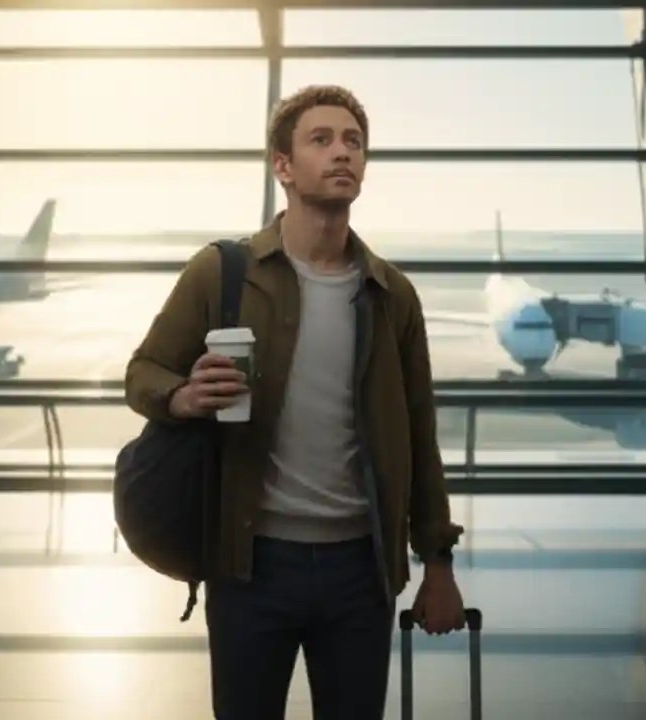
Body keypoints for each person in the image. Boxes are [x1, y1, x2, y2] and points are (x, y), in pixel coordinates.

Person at [125, 84, 467, 719]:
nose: (343, 153)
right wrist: (182, 396)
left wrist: (437, 563)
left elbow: (420, 437)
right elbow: (142, 371)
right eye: (322, 139)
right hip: (250, 565)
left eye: (354, 142)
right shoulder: (224, 272)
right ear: (282, 165)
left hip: (361, 573)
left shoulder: (393, 295)